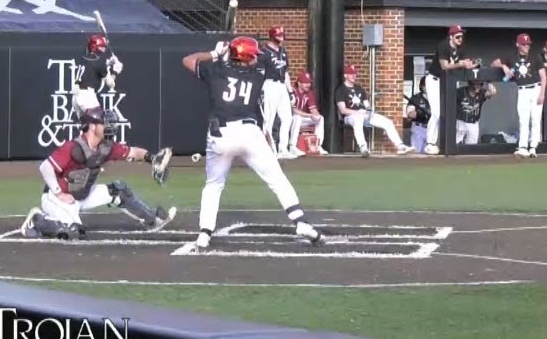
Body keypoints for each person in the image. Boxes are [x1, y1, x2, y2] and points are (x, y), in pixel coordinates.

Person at [182, 37, 323, 250]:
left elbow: (188, 60)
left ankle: (205, 233)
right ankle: (300, 221)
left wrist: (215, 53)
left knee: (214, 185)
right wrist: (231, 52)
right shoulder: (258, 73)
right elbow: (264, 58)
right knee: (276, 179)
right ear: (247, 57)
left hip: (222, 134)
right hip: (249, 133)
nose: (255, 58)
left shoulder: (216, 70)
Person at [21, 107, 174, 240]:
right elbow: (45, 167)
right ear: (93, 126)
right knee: (74, 233)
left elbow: (133, 152)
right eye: (105, 123)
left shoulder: (106, 147)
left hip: (82, 194)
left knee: (119, 191)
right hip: (57, 198)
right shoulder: (73, 147)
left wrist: (152, 158)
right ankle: (37, 220)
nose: (110, 126)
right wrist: (59, 193)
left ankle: (152, 220)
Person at [423, 25, 479, 155]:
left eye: (462, 36)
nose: (460, 39)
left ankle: (445, 144)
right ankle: (430, 144)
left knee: (448, 112)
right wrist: (460, 64)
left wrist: (471, 64)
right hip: (435, 80)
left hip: (449, 82)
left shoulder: (462, 49)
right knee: (436, 112)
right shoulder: (443, 45)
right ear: (451, 37)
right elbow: (444, 66)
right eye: (458, 37)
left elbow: (465, 64)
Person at [336, 64, 412, 157]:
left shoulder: (359, 88)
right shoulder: (341, 90)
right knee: (358, 119)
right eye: (351, 74)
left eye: (355, 74)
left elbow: (366, 104)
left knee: (387, 122)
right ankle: (363, 147)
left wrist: (369, 111)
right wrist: (359, 113)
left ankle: (400, 146)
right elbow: (343, 110)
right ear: (345, 75)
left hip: (364, 114)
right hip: (349, 117)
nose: (354, 76)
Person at [493, 33, 543, 157]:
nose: (527, 46)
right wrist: (504, 66)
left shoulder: (535, 57)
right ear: (518, 45)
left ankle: (533, 147)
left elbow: (544, 76)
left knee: (536, 119)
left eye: (528, 44)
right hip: (522, 90)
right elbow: (493, 63)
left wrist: (542, 94)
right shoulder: (511, 57)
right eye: (524, 44)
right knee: (523, 120)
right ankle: (522, 147)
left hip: (536, 88)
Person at [260, 25, 295, 159]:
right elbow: (260, 72)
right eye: (278, 35)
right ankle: (266, 149)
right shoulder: (264, 52)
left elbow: (286, 73)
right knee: (269, 118)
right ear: (272, 36)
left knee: (287, 118)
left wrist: (290, 92)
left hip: (281, 86)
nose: (281, 37)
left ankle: (282, 149)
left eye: (282, 35)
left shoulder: (283, 52)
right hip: (269, 84)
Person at [287, 70, 327, 156]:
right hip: (290, 119)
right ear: (299, 83)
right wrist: (309, 115)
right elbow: (293, 110)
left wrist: (316, 114)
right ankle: (292, 146)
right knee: (297, 117)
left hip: (302, 118)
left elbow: (313, 109)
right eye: (305, 83)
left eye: (309, 82)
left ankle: (318, 144)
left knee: (320, 118)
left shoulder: (309, 93)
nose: (308, 85)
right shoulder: (292, 92)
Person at [456, 80, 497, 146]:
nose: (478, 87)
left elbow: (493, 91)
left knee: (471, 147)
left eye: (480, 84)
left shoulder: (482, 92)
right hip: (460, 122)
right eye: (476, 84)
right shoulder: (460, 91)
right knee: (456, 145)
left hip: (474, 123)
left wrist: (488, 82)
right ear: (470, 84)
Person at [405, 77, 431, 153]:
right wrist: (421, 113)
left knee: (430, 155)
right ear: (422, 87)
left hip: (431, 129)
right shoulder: (415, 98)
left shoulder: (436, 98)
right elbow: (410, 114)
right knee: (416, 153)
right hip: (419, 128)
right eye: (426, 85)